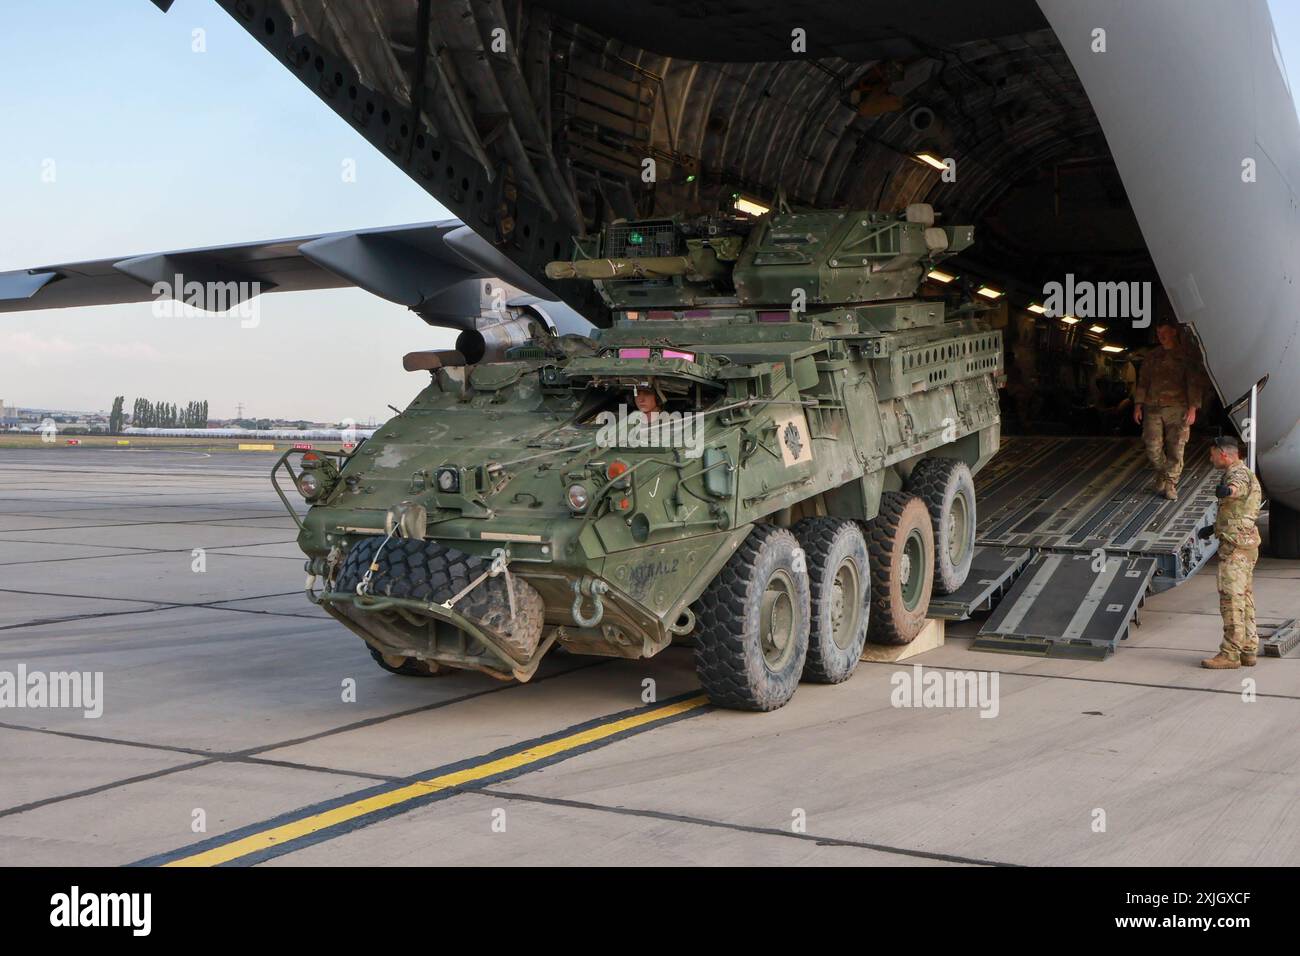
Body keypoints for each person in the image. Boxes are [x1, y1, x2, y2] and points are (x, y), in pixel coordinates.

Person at [1196, 436, 1263, 669]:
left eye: (1212, 453)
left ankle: (1230, 654)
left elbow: (1237, 488)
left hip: (1235, 548)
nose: (1211, 458)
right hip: (1244, 543)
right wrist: (1213, 529)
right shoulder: (1242, 471)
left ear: (1223, 454)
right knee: (1244, 597)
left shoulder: (1237, 473)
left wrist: (1227, 490)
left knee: (1231, 599)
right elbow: (1238, 511)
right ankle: (1248, 649)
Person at [1133, 322, 1204, 500]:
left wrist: (1193, 408)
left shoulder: (1186, 356)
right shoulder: (1152, 356)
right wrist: (1138, 404)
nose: (1161, 335)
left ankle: (1170, 483)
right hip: (1153, 406)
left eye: (1164, 331)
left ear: (1173, 332)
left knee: (1176, 447)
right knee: (1152, 447)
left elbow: (1193, 383)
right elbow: (1143, 381)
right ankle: (1163, 473)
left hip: (1178, 407)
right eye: (1158, 331)